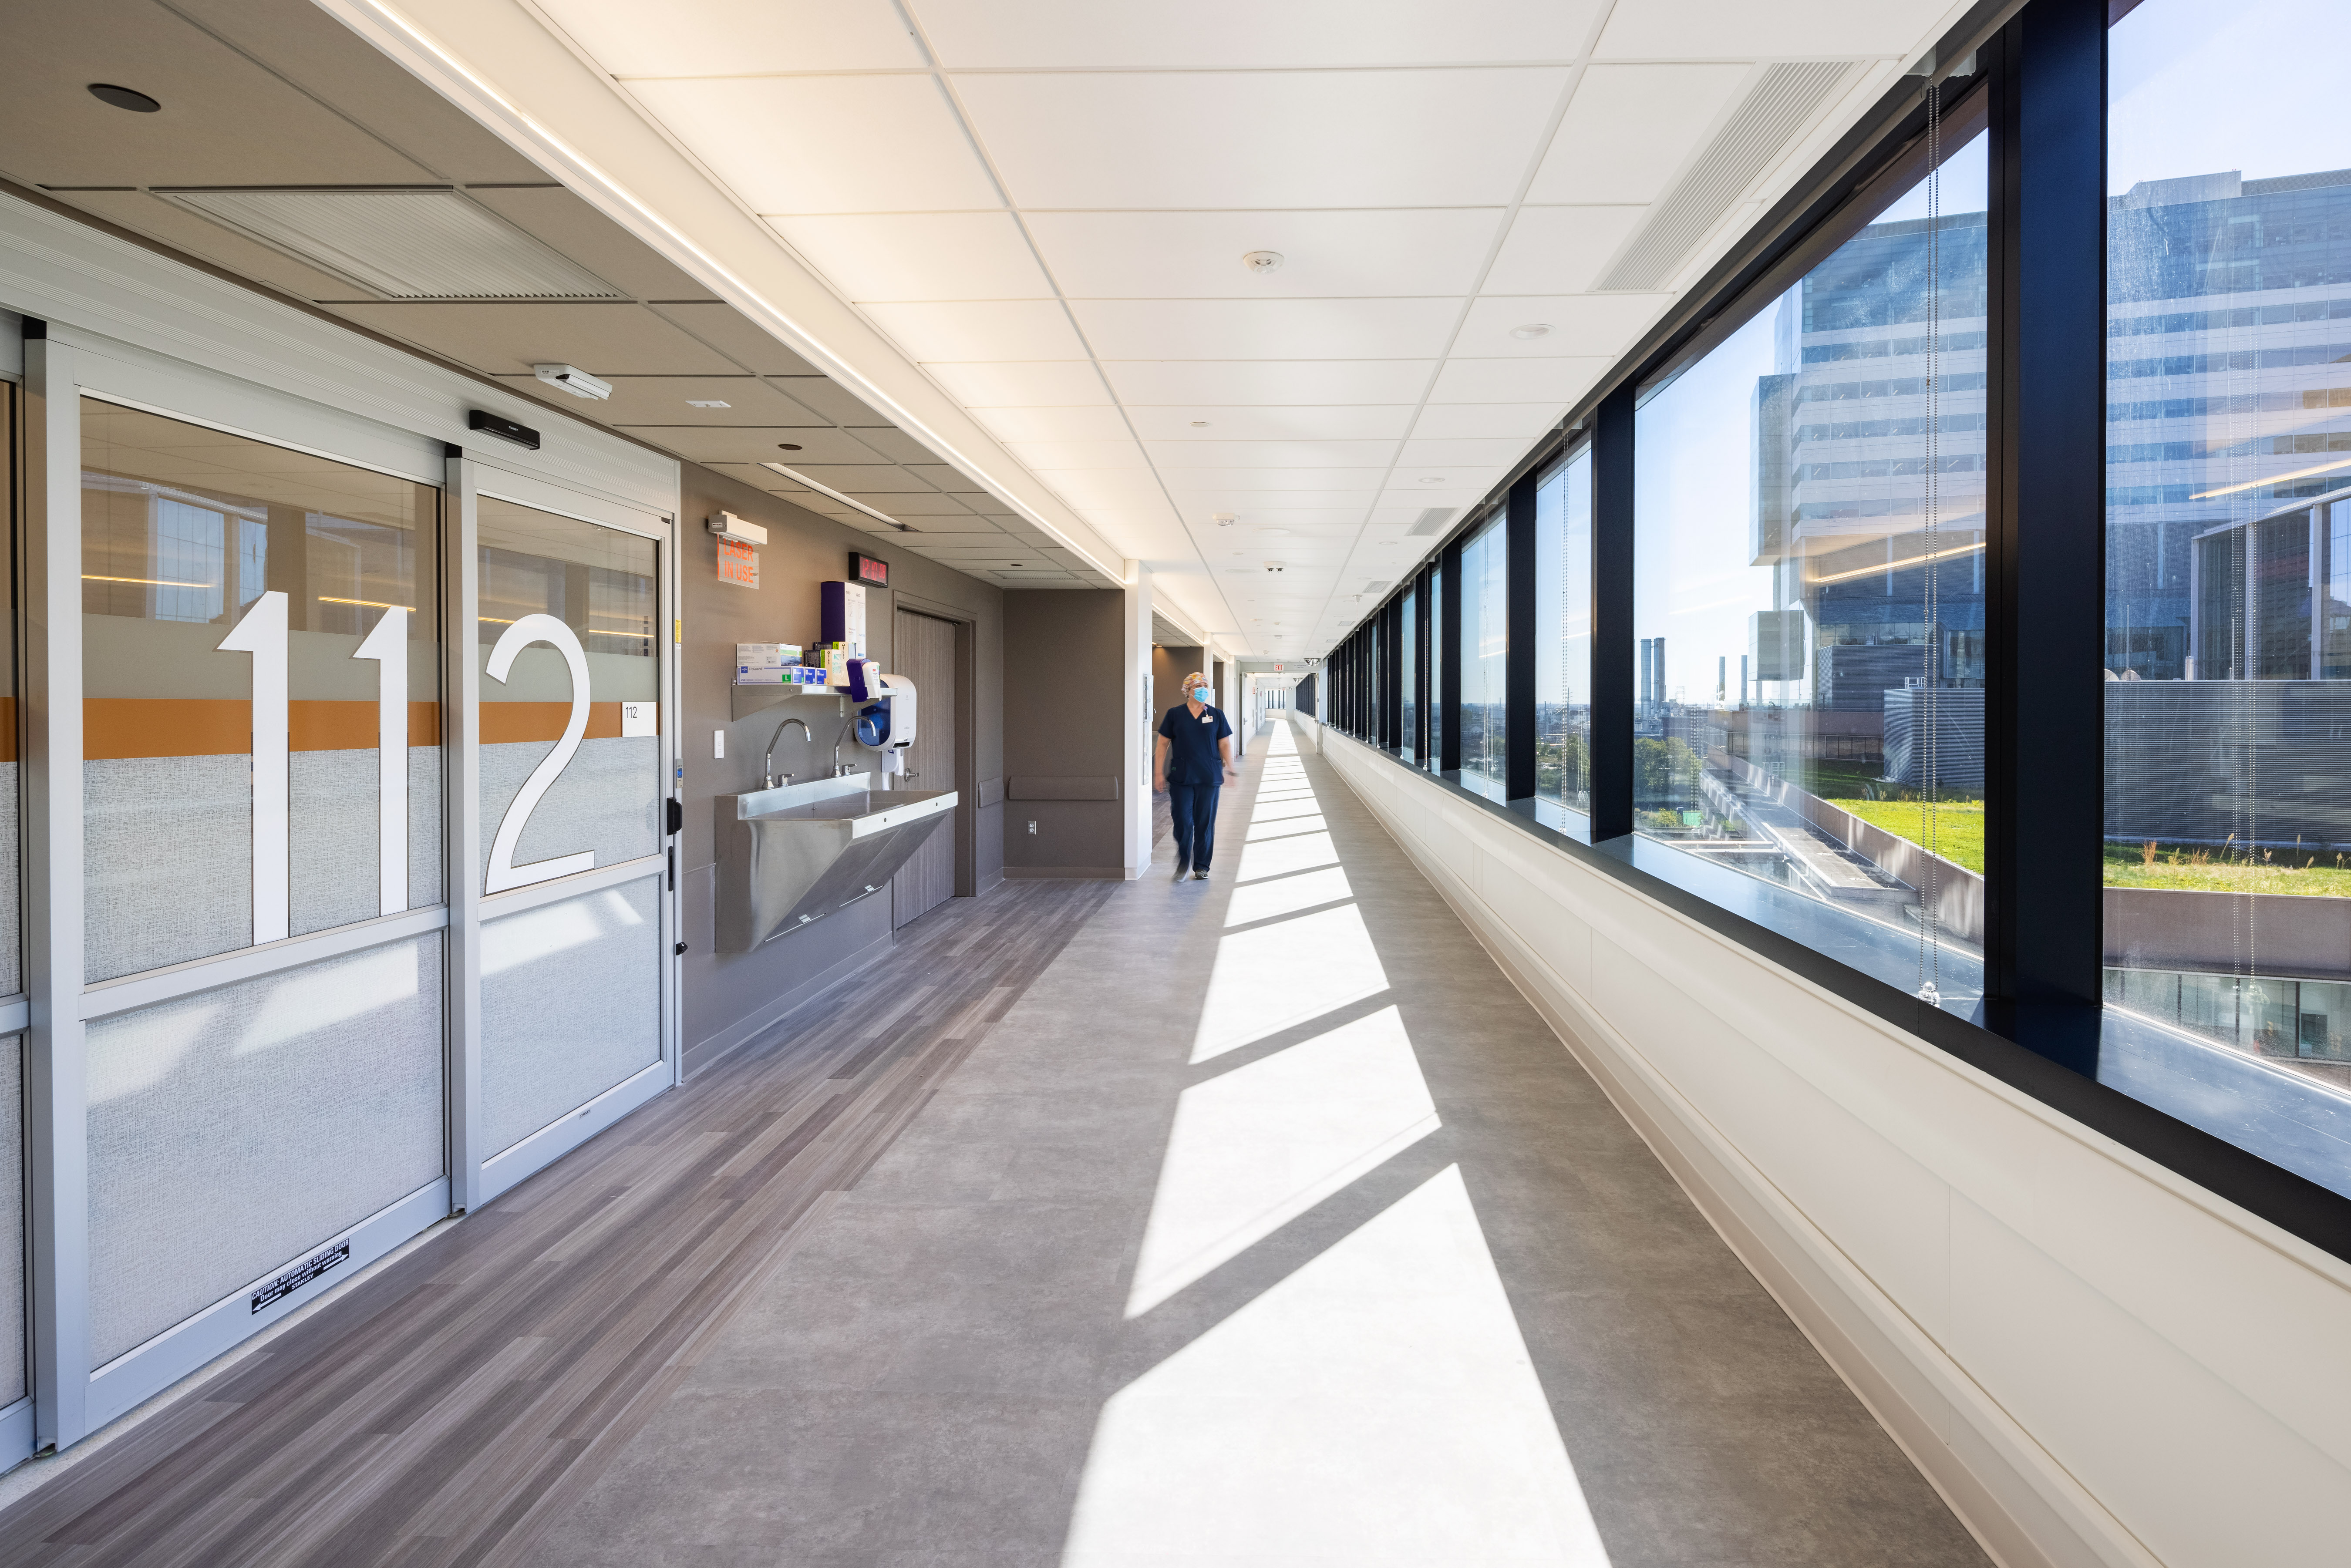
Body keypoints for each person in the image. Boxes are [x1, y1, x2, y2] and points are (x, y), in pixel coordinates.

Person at [1155, 670, 1235, 882]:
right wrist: (1157, 772)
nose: (1202, 691)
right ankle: (1183, 861)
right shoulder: (1175, 714)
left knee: (1205, 823)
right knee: (1182, 820)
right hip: (1182, 777)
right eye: (1197, 687)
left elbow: (1224, 743)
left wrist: (1231, 769)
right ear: (1187, 691)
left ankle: (1201, 866)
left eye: (1204, 687)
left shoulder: (1216, 714)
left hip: (1209, 777)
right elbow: (1163, 743)